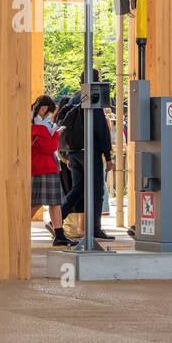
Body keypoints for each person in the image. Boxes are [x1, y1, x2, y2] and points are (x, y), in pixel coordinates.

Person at [57, 70, 115, 242]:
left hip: (74, 152)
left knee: (78, 189)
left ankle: (57, 220)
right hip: (90, 152)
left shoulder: (74, 99)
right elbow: (101, 129)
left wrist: (68, 153)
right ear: (97, 81)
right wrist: (108, 155)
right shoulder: (93, 97)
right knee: (97, 190)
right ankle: (95, 228)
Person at [31, 95, 72, 246]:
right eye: (48, 112)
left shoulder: (33, 123)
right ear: (43, 108)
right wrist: (56, 133)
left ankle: (59, 234)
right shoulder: (39, 127)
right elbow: (50, 147)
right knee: (37, 202)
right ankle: (19, 226)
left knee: (53, 202)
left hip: (42, 166)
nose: (49, 116)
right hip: (44, 167)